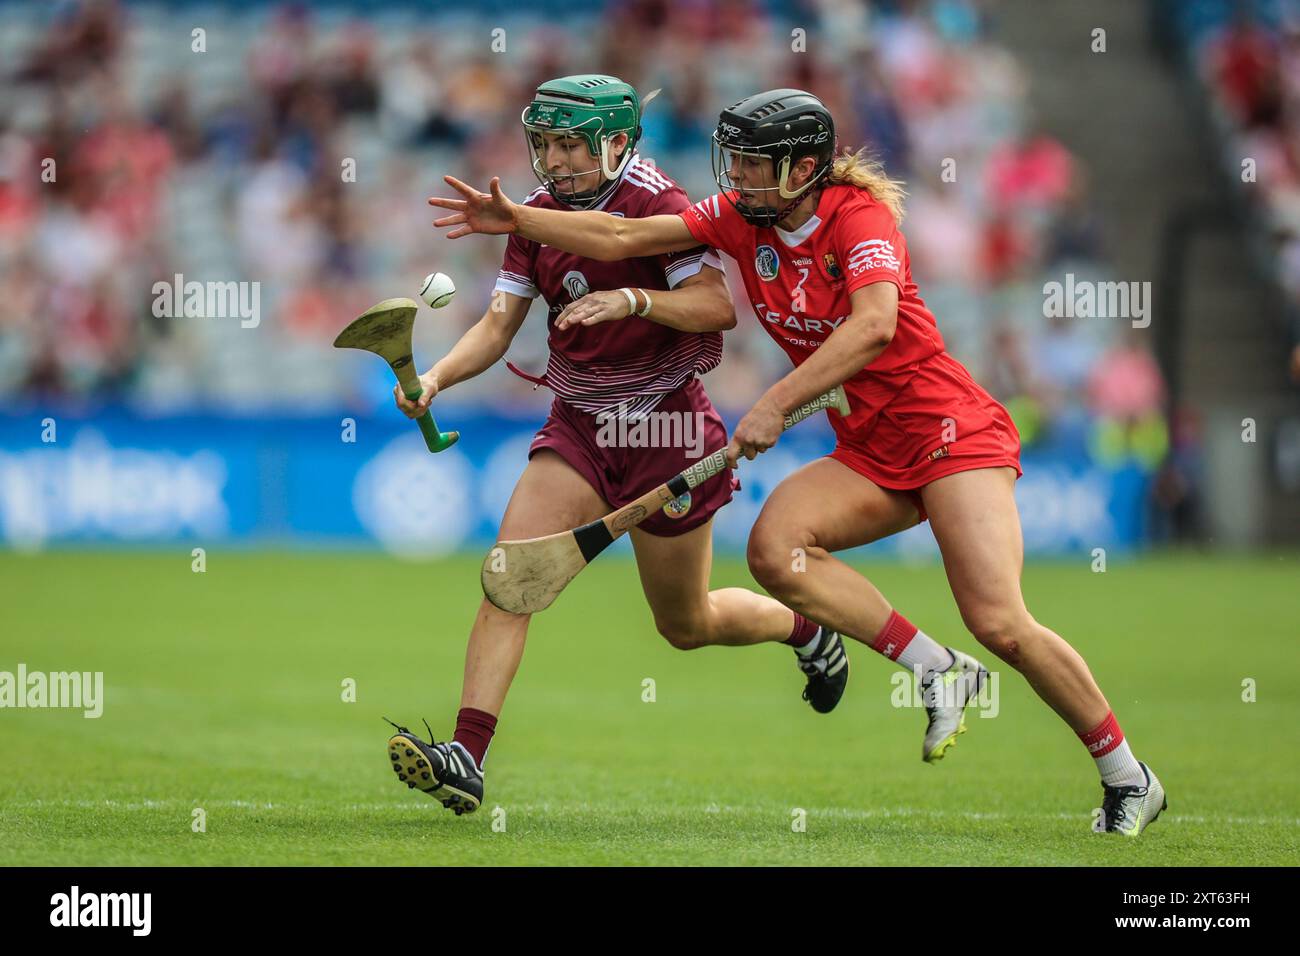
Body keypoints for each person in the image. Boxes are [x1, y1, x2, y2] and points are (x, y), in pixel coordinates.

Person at [429, 88, 1167, 836]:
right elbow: (622, 241)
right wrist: (516, 219)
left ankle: (1127, 775)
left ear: (802, 168)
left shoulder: (857, 217)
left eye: (753, 165)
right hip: (869, 448)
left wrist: (776, 400)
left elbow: (875, 326)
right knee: (775, 554)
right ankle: (933, 668)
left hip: (949, 431)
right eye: (735, 161)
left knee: (1000, 623)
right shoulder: (736, 219)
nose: (737, 177)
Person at [385, 76, 851, 816]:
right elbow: (499, 325)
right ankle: (467, 757)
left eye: (571, 144)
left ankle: (806, 629)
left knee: (685, 625)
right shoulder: (533, 213)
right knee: (511, 577)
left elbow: (714, 307)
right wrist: (437, 378)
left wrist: (633, 299)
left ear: (614, 142)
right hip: (578, 427)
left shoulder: (659, 203)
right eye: (545, 143)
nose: (556, 159)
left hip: (665, 431)